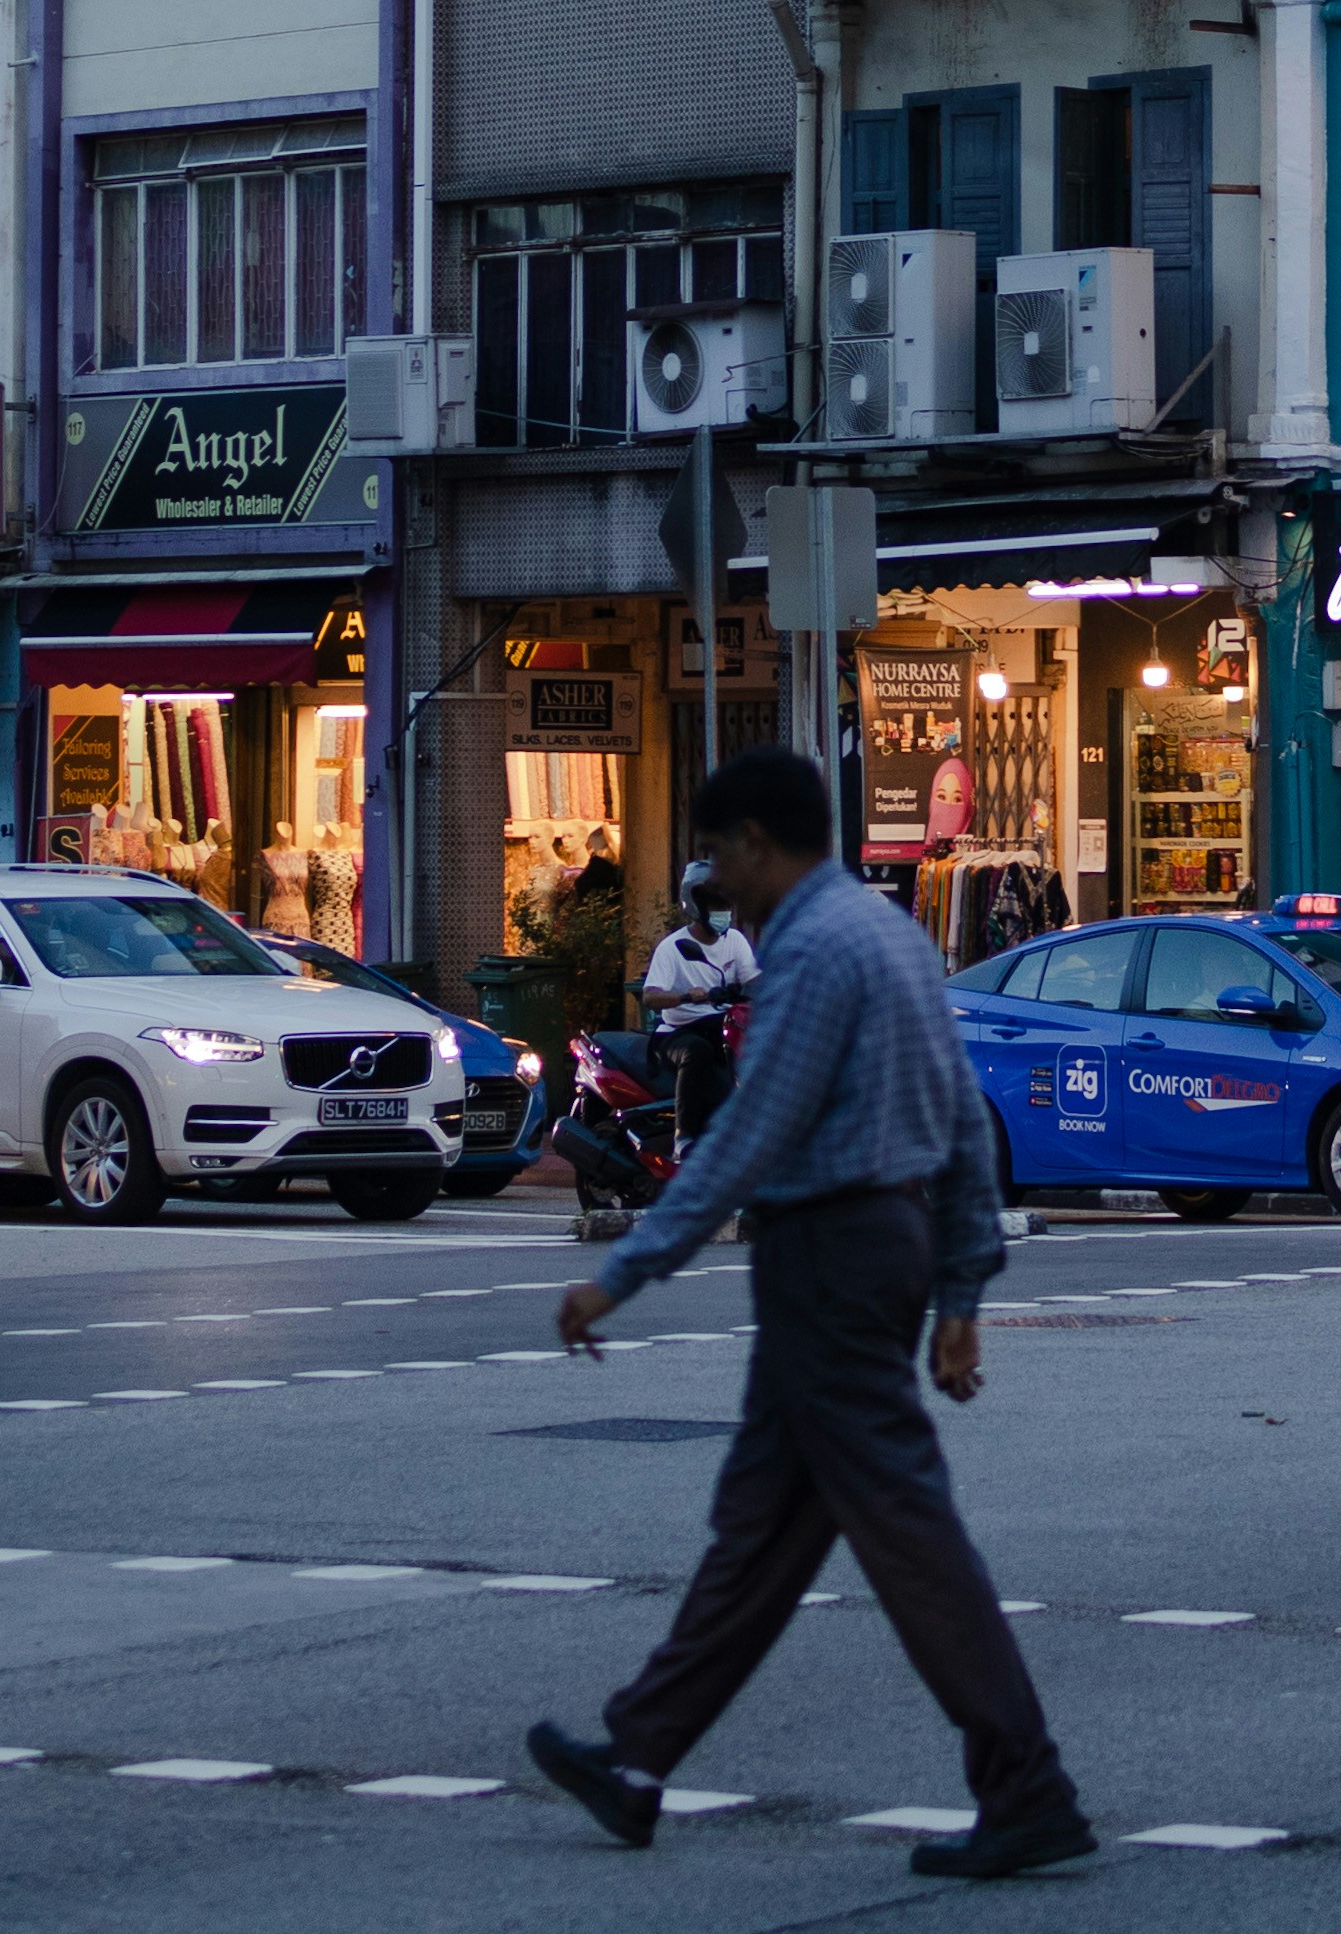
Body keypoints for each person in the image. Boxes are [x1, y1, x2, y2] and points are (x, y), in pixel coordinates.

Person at [527, 744, 1089, 1885]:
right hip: (868, 1247)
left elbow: (750, 1130)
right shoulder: (886, 933)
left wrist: (624, 1270)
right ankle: (637, 1754)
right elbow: (964, 1119)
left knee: (904, 1527)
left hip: (827, 1254)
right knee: (761, 1531)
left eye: (719, 854)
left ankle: (1027, 1781)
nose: (713, 882)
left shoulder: (815, 950)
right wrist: (961, 1285)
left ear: (754, 842)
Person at [638, 863, 759, 1151]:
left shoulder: (735, 941)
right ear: (696, 906)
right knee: (697, 1052)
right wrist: (685, 997)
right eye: (716, 904)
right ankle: (684, 1137)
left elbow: (755, 980)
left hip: (720, 1025)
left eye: (726, 904)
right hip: (676, 1033)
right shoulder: (674, 947)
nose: (723, 911)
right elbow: (651, 996)